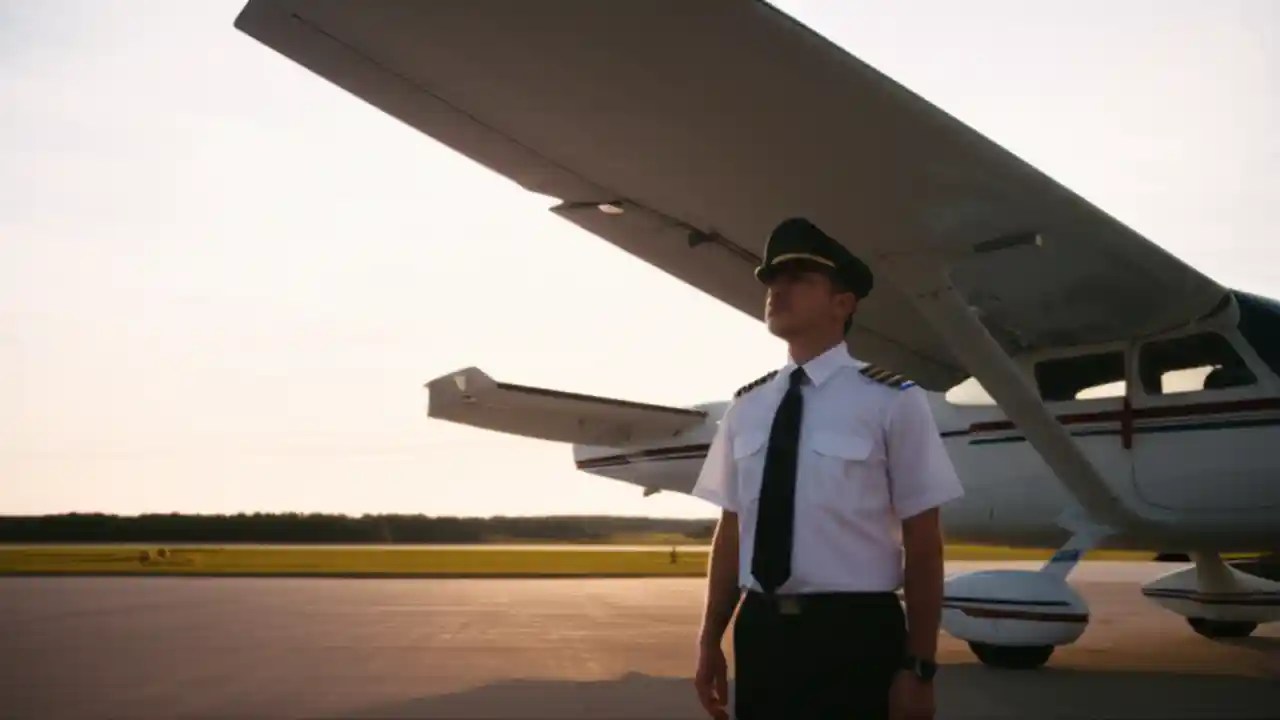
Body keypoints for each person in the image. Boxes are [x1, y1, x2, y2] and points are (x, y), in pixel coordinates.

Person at [691, 217, 964, 720]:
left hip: (855, 634)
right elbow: (731, 531)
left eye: (798, 278)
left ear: (843, 303)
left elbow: (924, 541)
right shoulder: (746, 407)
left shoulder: (892, 401)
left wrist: (920, 668)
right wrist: (710, 640)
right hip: (763, 634)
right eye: (773, 279)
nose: (777, 289)